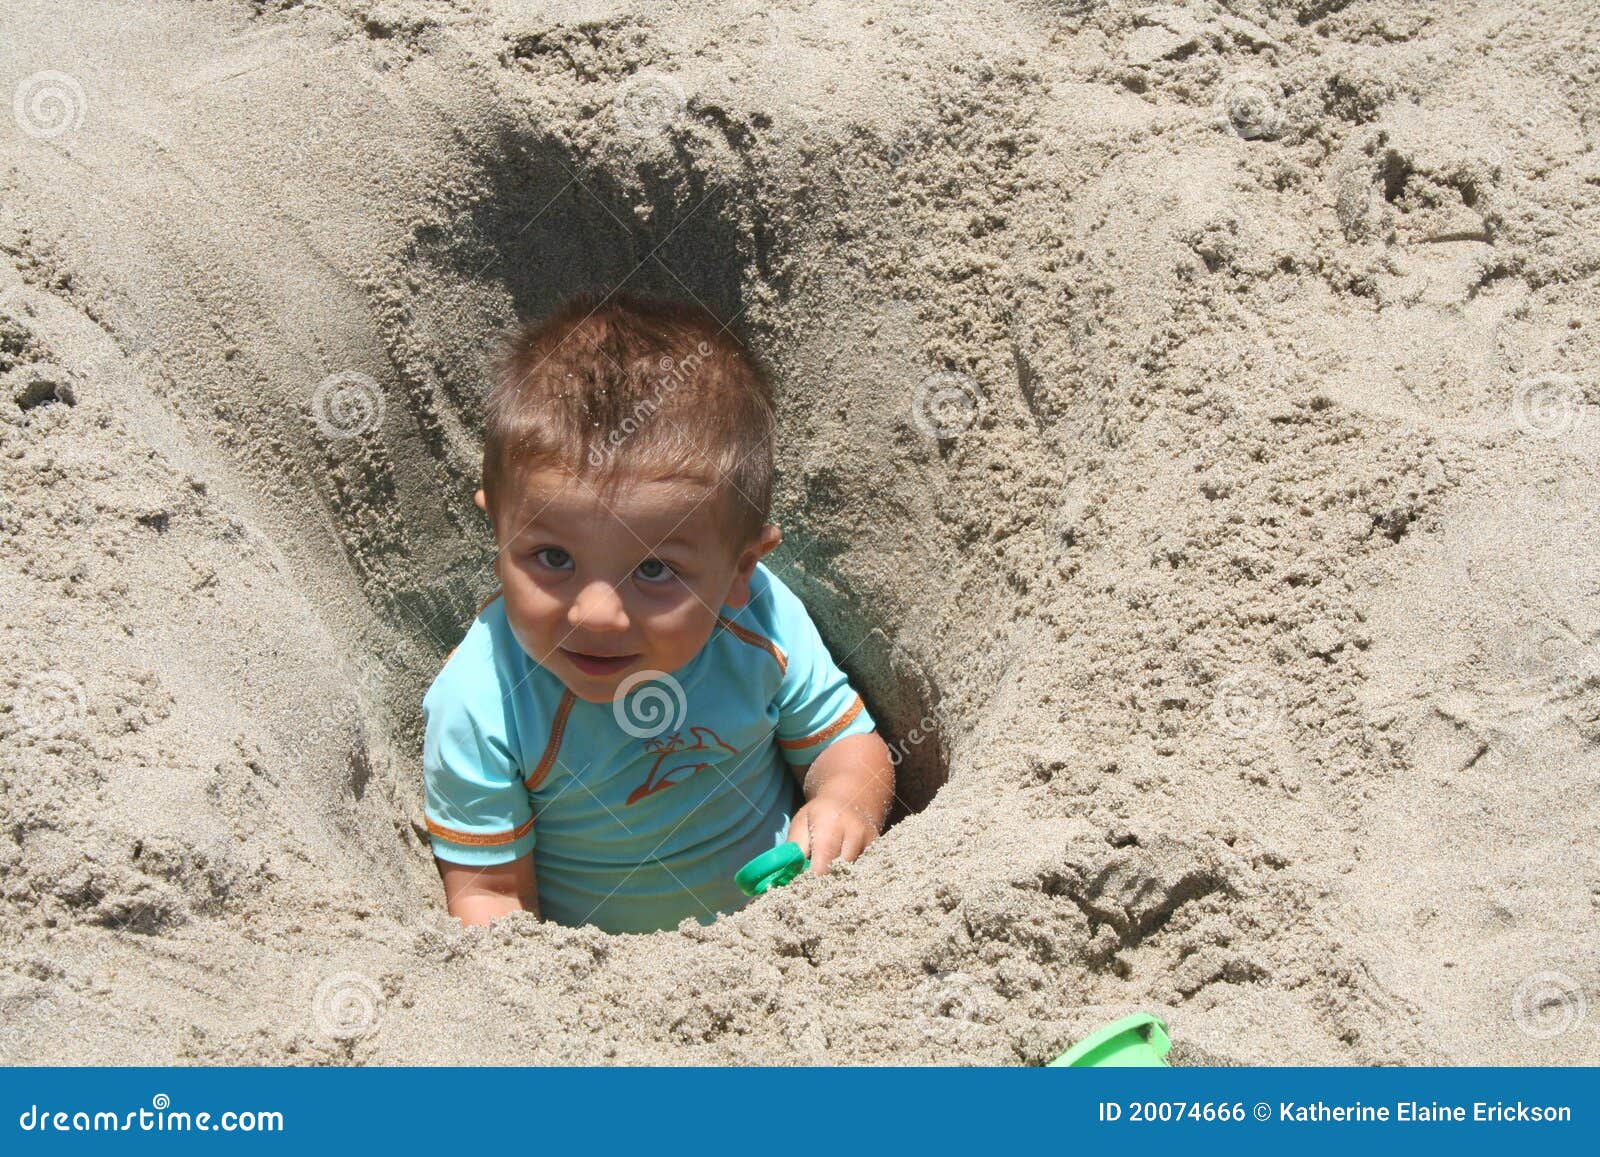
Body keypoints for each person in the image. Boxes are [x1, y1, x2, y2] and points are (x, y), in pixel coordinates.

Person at [421, 291, 895, 933]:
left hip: (790, 936)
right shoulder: (483, 701)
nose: (596, 615)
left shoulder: (757, 619)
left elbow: (845, 745)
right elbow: (491, 898)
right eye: (553, 557)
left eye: (653, 570)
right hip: (600, 975)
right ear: (499, 532)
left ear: (739, 569)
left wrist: (846, 804)